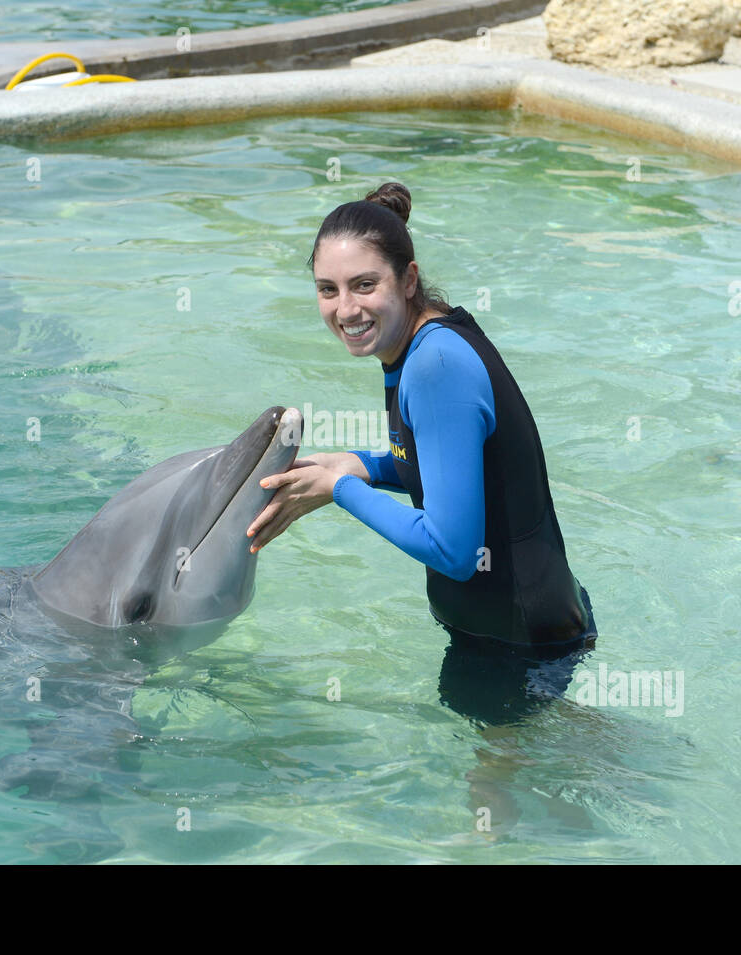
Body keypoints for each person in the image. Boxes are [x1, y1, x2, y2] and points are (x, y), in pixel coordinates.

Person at [245, 182, 596, 722]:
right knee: (533, 777)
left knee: (510, 789)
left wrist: (339, 490)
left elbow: (453, 551)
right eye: (327, 289)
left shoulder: (433, 368)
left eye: (365, 284)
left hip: (516, 637)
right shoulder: (430, 338)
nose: (345, 309)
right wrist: (359, 463)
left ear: (407, 280)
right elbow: (445, 460)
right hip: (523, 618)